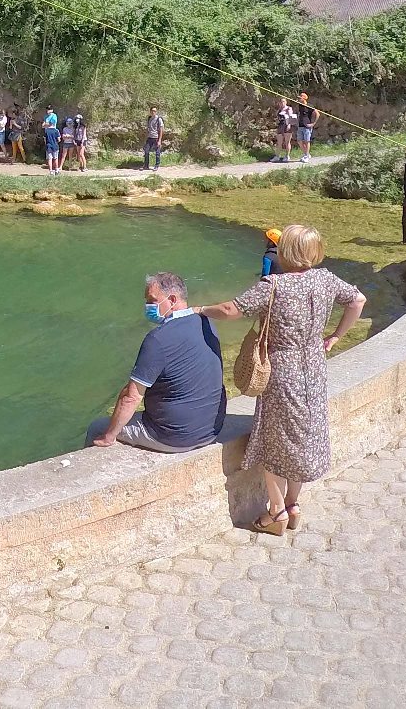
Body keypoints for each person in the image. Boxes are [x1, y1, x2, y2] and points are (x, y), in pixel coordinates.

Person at [198, 225, 366, 535]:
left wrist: (199, 309)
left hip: (283, 370)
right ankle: (293, 503)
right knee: (302, 435)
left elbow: (231, 310)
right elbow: (358, 301)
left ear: (286, 251)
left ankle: (276, 512)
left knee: (274, 441)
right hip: (314, 368)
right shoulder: (325, 278)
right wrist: (335, 337)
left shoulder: (273, 286)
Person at [87, 272, 227, 453]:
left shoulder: (158, 339)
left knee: (97, 427)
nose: (148, 307)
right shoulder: (207, 323)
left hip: (174, 437)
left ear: (172, 299)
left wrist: (109, 436)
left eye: (152, 301)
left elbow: (131, 397)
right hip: (212, 429)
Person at [294, 93, 319, 163]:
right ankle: (306, 154)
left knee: (307, 141)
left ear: (304, 98)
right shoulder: (299, 106)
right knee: (299, 141)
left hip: (307, 126)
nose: (299, 99)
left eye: (300, 98)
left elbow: (317, 114)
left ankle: (306, 156)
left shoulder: (309, 106)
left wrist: (313, 123)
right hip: (300, 126)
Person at [273, 98, 297, 163]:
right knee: (279, 142)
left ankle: (287, 156)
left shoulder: (288, 108)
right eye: (281, 102)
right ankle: (277, 156)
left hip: (287, 126)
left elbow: (290, 116)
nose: (282, 103)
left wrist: (289, 125)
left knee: (287, 142)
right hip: (280, 126)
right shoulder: (279, 110)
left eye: (283, 101)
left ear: (286, 102)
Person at [142, 105, 165, 171]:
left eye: (155, 111)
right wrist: (147, 136)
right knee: (146, 151)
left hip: (156, 138)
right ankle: (146, 165)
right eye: (152, 111)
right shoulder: (149, 118)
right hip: (150, 138)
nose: (153, 112)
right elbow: (148, 128)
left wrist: (159, 140)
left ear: (156, 112)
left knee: (157, 152)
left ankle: (157, 165)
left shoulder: (159, 119)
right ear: (150, 111)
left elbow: (161, 130)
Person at [42, 107, 61, 171]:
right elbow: (43, 125)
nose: (48, 110)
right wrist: (46, 124)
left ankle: (52, 170)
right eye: (47, 109)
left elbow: (49, 123)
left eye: (49, 109)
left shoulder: (54, 116)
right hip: (49, 137)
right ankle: (55, 170)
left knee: (51, 158)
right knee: (54, 157)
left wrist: (46, 124)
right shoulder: (45, 116)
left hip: (51, 134)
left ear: (52, 110)